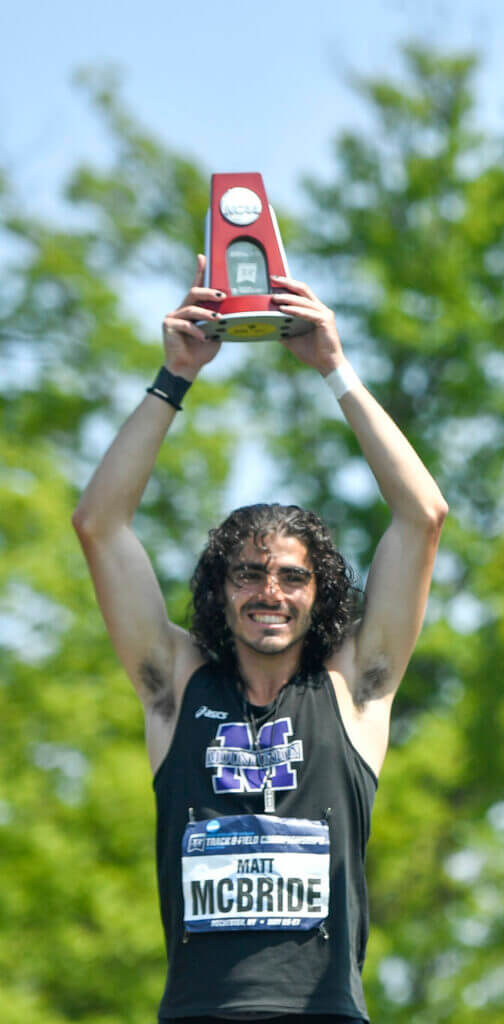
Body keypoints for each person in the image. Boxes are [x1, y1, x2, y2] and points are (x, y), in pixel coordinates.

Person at [72, 257, 448, 1023]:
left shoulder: (355, 686)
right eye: (247, 575)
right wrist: (174, 376)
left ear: (320, 593)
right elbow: (99, 525)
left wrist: (335, 368)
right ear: (219, 589)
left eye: (291, 577)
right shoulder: (175, 687)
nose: (269, 593)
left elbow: (423, 517)